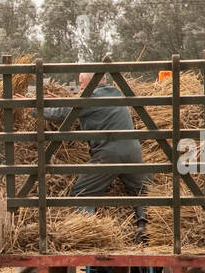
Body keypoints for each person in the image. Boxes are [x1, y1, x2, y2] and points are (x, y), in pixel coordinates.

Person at [41, 72, 149, 242]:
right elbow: (80, 107)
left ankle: (87, 231)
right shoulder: (115, 93)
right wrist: (66, 101)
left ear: (94, 82)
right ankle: (145, 229)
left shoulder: (91, 97)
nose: (81, 88)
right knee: (144, 191)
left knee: (82, 192)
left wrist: (32, 107)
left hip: (109, 153)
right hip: (133, 151)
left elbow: (62, 113)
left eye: (82, 84)